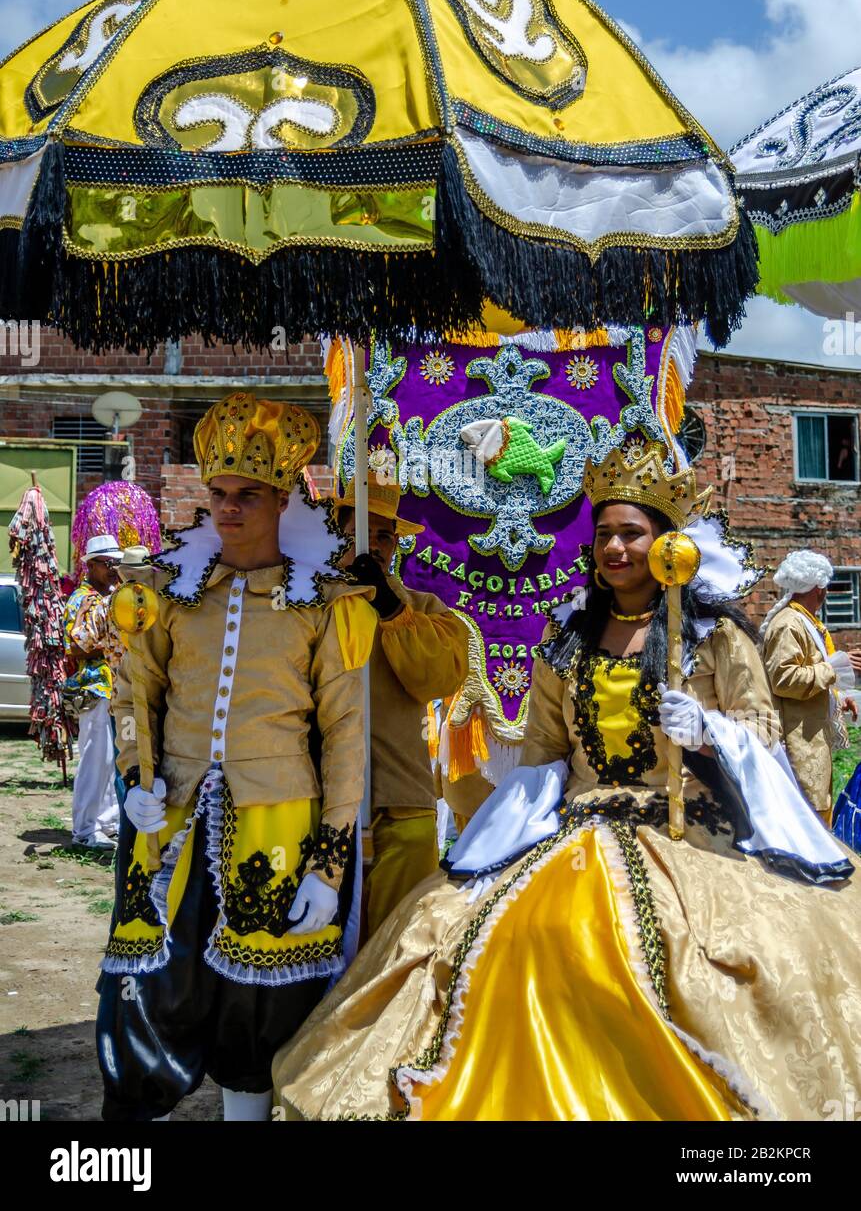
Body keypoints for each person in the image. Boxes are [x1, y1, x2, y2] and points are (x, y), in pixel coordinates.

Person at [272, 442, 861, 1122]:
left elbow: (759, 732)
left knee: (689, 953)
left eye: (631, 534)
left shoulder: (711, 635)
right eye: (604, 533)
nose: (615, 548)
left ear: (666, 542)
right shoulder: (569, 634)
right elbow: (548, 748)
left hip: (691, 829)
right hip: (579, 829)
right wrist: (505, 826)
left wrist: (707, 730)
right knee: (520, 934)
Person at [96, 391, 377, 1122]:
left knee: (258, 1002)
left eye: (248, 494)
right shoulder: (169, 592)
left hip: (278, 823)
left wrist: (329, 862)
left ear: (282, 500)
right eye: (219, 493)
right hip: (170, 819)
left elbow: (346, 737)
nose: (229, 507)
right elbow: (133, 696)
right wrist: (133, 776)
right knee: (155, 985)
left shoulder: (325, 603)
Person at [335, 473, 470, 937]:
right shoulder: (308, 605)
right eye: (359, 533)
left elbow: (437, 678)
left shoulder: (425, 608)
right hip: (323, 799)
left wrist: (391, 610)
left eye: (384, 536)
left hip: (401, 799)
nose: (372, 545)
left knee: (399, 937)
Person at [761, 551, 857, 826]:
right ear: (819, 588)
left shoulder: (805, 621)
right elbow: (784, 679)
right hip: (796, 736)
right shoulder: (789, 623)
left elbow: (811, 671)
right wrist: (835, 667)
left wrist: (839, 699)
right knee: (805, 809)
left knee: (817, 802)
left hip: (811, 732)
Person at [63, 534, 124, 848]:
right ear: (92, 565)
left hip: (113, 688)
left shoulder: (112, 594)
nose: (114, 568)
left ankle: (107, 823)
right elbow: (72, 646)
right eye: (108, 563)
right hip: (95, 687)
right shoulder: (83, 598)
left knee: (113, 759)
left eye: (117, 562)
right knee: (94, 759)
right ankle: (85, 830)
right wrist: (107, 642)